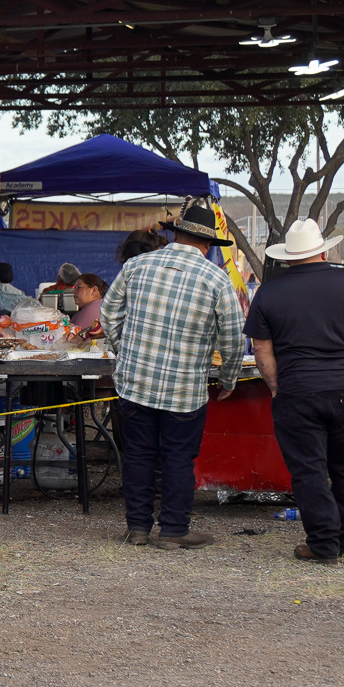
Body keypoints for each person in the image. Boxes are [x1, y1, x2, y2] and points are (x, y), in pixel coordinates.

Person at [102, 202, 243, 550]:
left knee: (138, 455)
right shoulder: (216, 278)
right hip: (185, 389)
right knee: (179, 458)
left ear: (175, 233)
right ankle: (173, 530)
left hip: (135, 383)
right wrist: (228, 378)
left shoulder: (136, 266)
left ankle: (137, 529)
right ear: (207, 245)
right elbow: (233, 338)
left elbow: (108, 316)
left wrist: (127, 352)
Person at [245, 219, 344, 564]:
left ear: (288, 257)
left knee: (308, 470)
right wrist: (342, 336)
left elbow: (261, 350)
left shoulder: (270, 291)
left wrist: (277, 387)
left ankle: (322, 543)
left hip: (298, 389)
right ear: (322, 250)